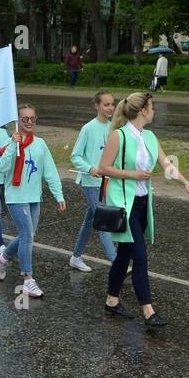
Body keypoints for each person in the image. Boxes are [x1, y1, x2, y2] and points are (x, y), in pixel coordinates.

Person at [96, 92, 189, 326]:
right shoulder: (119, 136)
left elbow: (166, 165)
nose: (154, 111)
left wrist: (186, 182)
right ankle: (148, 311)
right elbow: (103, 168)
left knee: (123, 255)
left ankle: (112, 300)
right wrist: (132, 174)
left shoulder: (150, 137)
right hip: (124, 204)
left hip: (141, 204)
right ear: (142, 110)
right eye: (152, 107)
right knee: (139, 257)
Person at [0, 105, 66, 297]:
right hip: (16, 198)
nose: (28, 122)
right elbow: (0, 168)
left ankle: (3, 256)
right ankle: (28, 279)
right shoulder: (9, 143)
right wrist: (12, 144)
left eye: (32, 119)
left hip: (34, 197)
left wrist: (58, 194)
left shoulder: (40, 144)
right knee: (27, 235)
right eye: (24, 119)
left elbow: (49, 170)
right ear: (17, 121)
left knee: (29, 235)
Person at [68, 90, 119, 271]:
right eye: (106, 104)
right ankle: (117, 262)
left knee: (90, 220)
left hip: (107, 182)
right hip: (90, 182)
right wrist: (91, 169)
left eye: (112, 104)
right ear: (97, 106)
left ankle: (75, 257)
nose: (110, 107)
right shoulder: (88, 128)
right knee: (104, 219)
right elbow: (75, 156)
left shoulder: (114, 127)